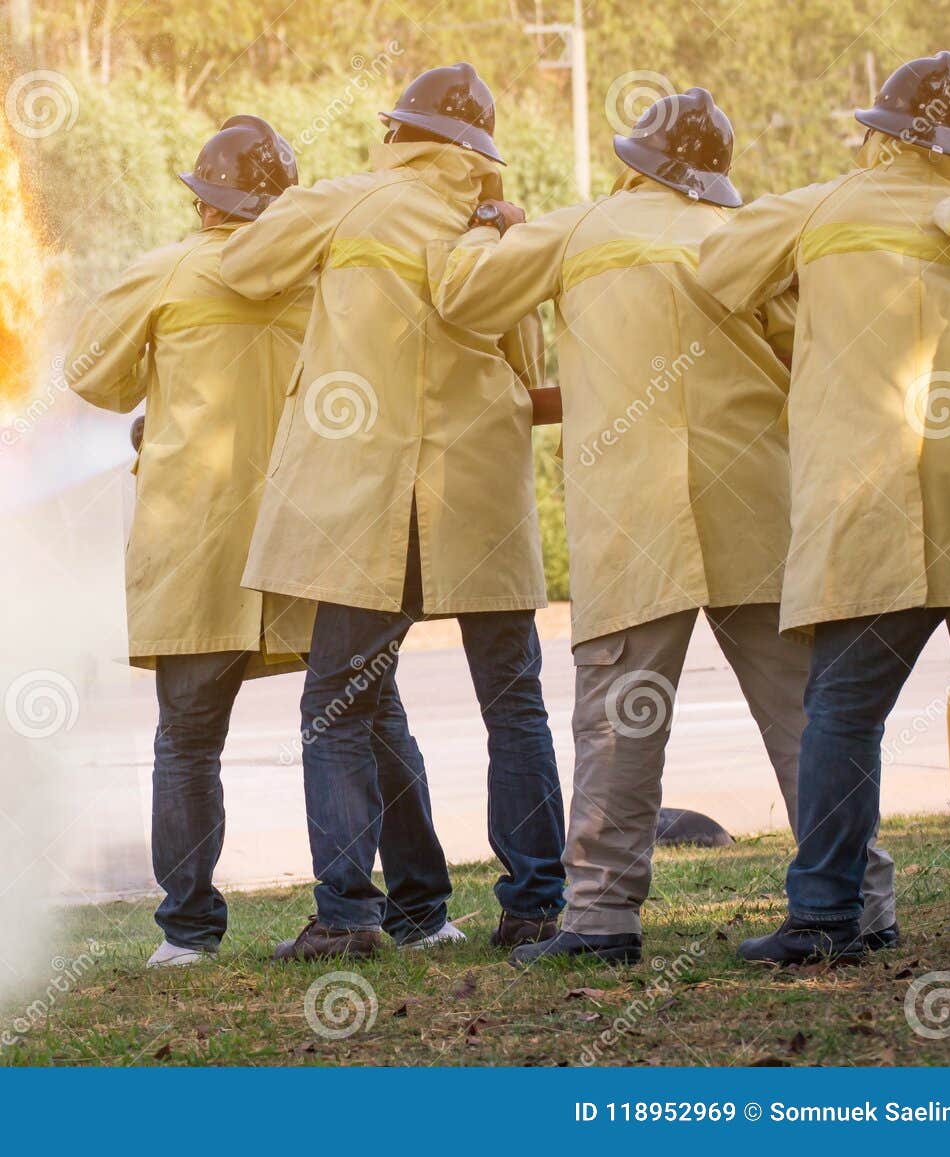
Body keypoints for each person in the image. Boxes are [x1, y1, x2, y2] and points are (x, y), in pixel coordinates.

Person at [428, 87, 898, 967]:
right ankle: (863, 901)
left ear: (631, 161)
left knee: (621, 720)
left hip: (634, 515)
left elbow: (462, 298)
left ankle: (602, 920)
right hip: (758, 503)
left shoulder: (581, 229)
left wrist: (488, 225)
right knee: (808, 716)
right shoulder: (743, 235)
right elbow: (810, 342)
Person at [221, 65, 566, 961]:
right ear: (476, 149)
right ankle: (536, 905)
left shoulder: (343, 201)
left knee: (338, 704)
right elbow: (529, 370)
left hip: (365, 500)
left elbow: (243, 267)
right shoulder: (497, 227)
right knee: (514, 703)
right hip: (478, 492)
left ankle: (347, 917)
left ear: (398, 132)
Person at [696, 52, 950, 965]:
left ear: (880, 135)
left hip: (873, 497)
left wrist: (808, 303)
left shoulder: (823, 207)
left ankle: (828, 918)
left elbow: (719, 271)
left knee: (842, 711)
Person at [64, 116, 318, 968]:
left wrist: (161, 384)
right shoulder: (317, 270)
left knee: (188, 740)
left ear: (206, 202)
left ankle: (188, 932)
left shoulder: (169, 269)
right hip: (309, 532)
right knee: (362, 720)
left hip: (197, 541)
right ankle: (406, 908)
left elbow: (93, 375)